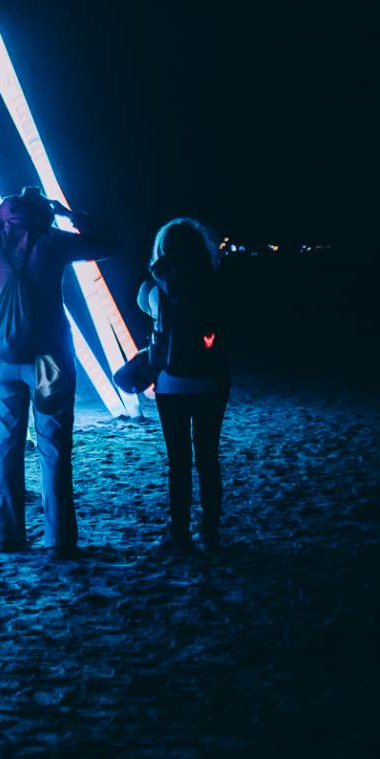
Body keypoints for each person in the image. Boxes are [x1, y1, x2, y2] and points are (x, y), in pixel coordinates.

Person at [0, 186, 117, 558]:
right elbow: (106, 243)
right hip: (48, 360)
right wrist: (66, 214)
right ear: (42, 213)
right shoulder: (54, 243)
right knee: (54, 446)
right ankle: (59, 538)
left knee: (6, 446)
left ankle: (4, 535)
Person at [138, 218, 231, 551]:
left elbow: (151, 318)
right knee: (208, 457)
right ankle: (210, 531)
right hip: (212, 379)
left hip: (172, 382)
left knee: (178, 460)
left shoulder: (154, 286)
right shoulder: (216, 283)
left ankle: (177, 532)